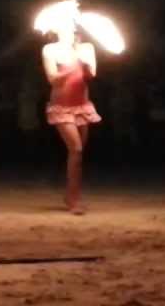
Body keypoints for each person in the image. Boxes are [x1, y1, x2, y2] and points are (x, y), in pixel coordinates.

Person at [42, 15, 102, 215]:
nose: (68, 28)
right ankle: (74, 201)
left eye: (70, 25)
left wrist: (85, 65)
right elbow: (53, 79)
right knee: (75, 149)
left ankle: (71, 195)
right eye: (63, 25)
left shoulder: (87, 48)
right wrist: (73, 65)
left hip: (82, 105)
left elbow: (91, 75)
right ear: (56, 29)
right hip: (61, 106)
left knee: (77, 154)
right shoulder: (49, 49)